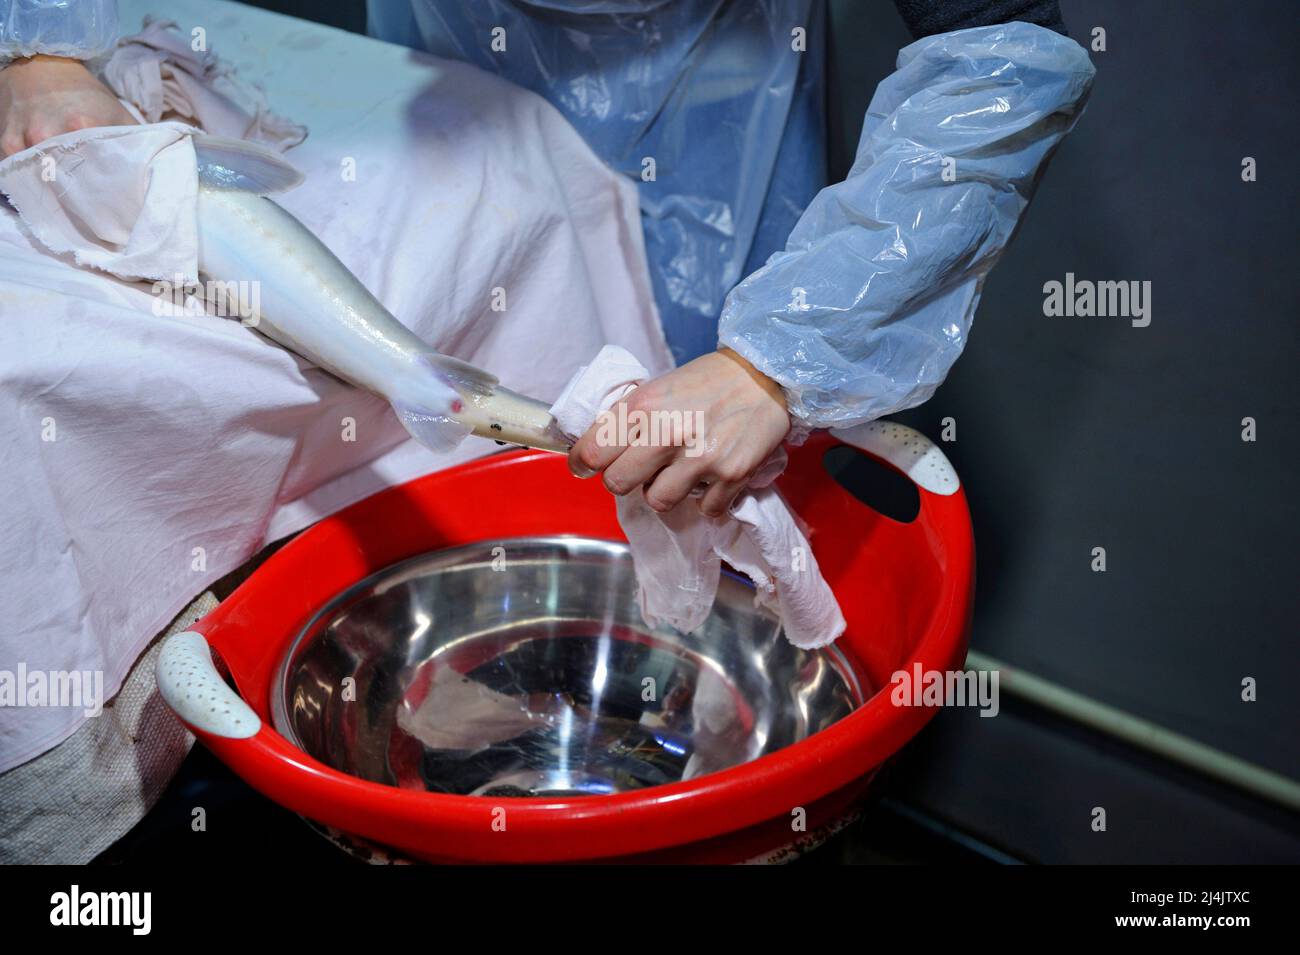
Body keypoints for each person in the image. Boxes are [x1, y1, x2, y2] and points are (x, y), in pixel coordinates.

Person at [0, 0, 1094, 517]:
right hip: (448, 85)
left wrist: (777, 359)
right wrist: (43, 42)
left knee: (699, 460)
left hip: (724, 99)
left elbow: (997, 48)